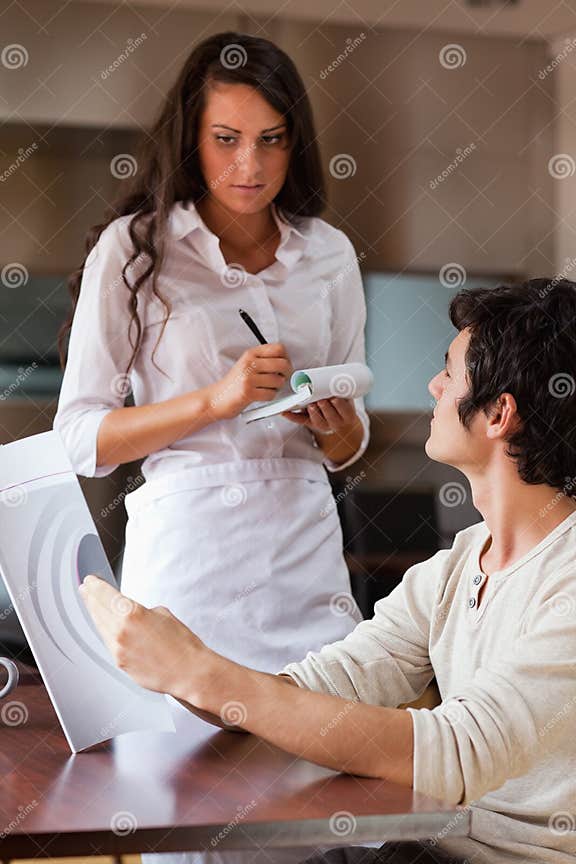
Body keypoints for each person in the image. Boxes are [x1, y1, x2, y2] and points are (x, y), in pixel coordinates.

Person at [81, 279, 576, 864]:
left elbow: (453, 753)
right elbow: (325, 686)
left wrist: (202, 673)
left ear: (499, 413)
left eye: (450, 372)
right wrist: (175, 668)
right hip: (429, 848)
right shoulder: (456, 567)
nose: (434, 386)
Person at [55, 30, 369, 864]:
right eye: (226, 139)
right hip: (188, 575)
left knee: (319, 818)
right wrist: (215, 400)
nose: (249, 165)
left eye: (271, 139)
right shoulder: (136, 250)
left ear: (294, 143)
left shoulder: (328, 255)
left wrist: (341, 431)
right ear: (190, 140)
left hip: (305, 560)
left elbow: (349, 437)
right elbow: (79, 439)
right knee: (192, 825)